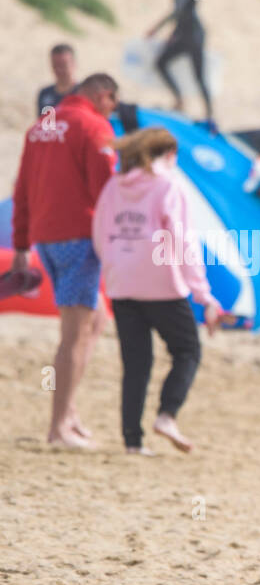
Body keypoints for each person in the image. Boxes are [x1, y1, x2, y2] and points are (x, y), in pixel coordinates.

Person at [92, 127, 222, 454]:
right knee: (187, 350)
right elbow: (182, 241)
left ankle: (132, 441)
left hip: (121, 282)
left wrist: (112, 267)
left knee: (135, 363)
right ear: (168, 155)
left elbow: (100, 232)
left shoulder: (113, 186)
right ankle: (167, 415)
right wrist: (203, 295)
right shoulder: (168, 185)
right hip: (161, 283)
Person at [10, 73, 119, 449]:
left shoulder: (41, 126)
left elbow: (21, 187)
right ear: (103, 96)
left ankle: (68, 410)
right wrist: (116, 241)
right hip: (78, 236)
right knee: (73, 334)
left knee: (97, 321)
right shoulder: (93, 126)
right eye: (112, 104)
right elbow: (105, 189)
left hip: (46, 237)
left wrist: (22, 243)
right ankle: (58, 427)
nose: (113, 112)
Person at [147, 0, 213, 121]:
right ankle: (180, 100)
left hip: (194, 34)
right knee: (162, 63)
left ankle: (210, 115)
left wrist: (158, 28)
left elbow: (182, 10)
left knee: (198, 75)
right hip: (185, 33)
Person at [37, 43, 77, 118]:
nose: (59, 69)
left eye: (63, 65)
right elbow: (42, 124)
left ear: (74, 64)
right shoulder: (45, 93)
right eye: (55, 65)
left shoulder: (84, 93)